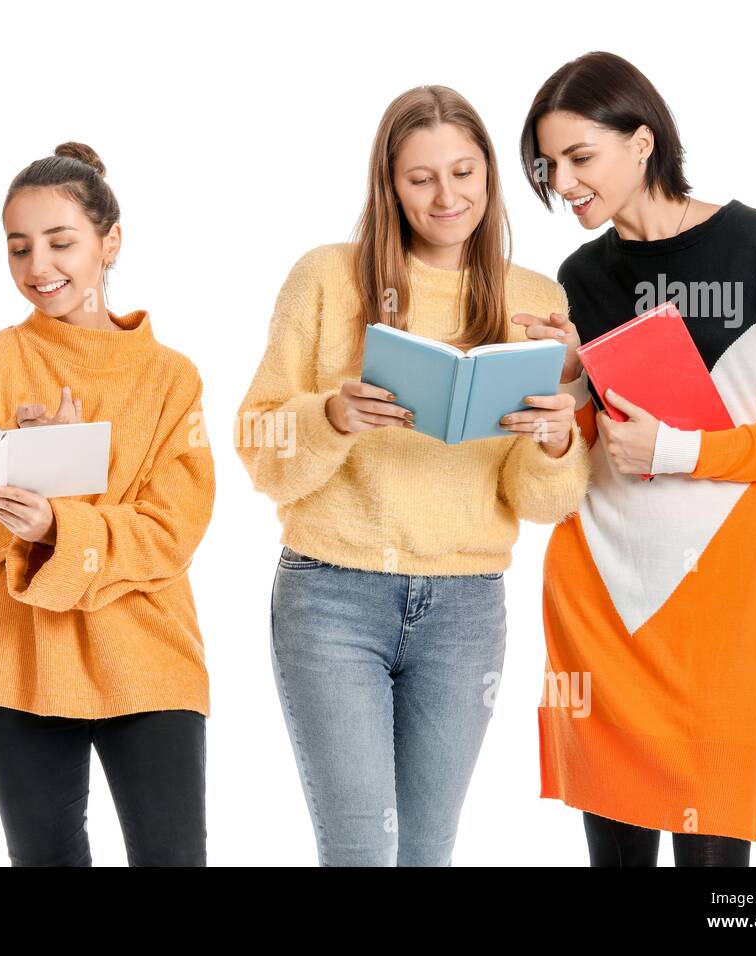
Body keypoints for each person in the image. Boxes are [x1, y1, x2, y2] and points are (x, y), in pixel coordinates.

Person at [235, 86, 589, 866]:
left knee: (426, 853)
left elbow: (542, 502)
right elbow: (258, 448)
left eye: (464, 172)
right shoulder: (326, 279)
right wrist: (330, 416)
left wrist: (560, 437)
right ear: (388, 184)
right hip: (333, 596)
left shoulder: (534, 300)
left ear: (491, 177)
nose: (446, 196)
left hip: (465, 609)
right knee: (361, 850)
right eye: (420, 177)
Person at [519, 51, 756, 865]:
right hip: (599, 597)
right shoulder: (578, 277)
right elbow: (604, 426)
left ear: (642, 142)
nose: (562, 183)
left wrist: (681, 449)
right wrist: (570, 393)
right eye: (549, 164)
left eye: (579, 157)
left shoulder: (754, 245)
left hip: (723, 606)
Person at [0, 142, 215, 867]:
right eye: (18, 248)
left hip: (148, 653)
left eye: (61, 243)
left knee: (174, 856)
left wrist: (60, 520)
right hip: (18, 658)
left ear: (110, 242)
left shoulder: (172, 378)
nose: (38, 268)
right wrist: (29, 481)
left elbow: (172, 532)